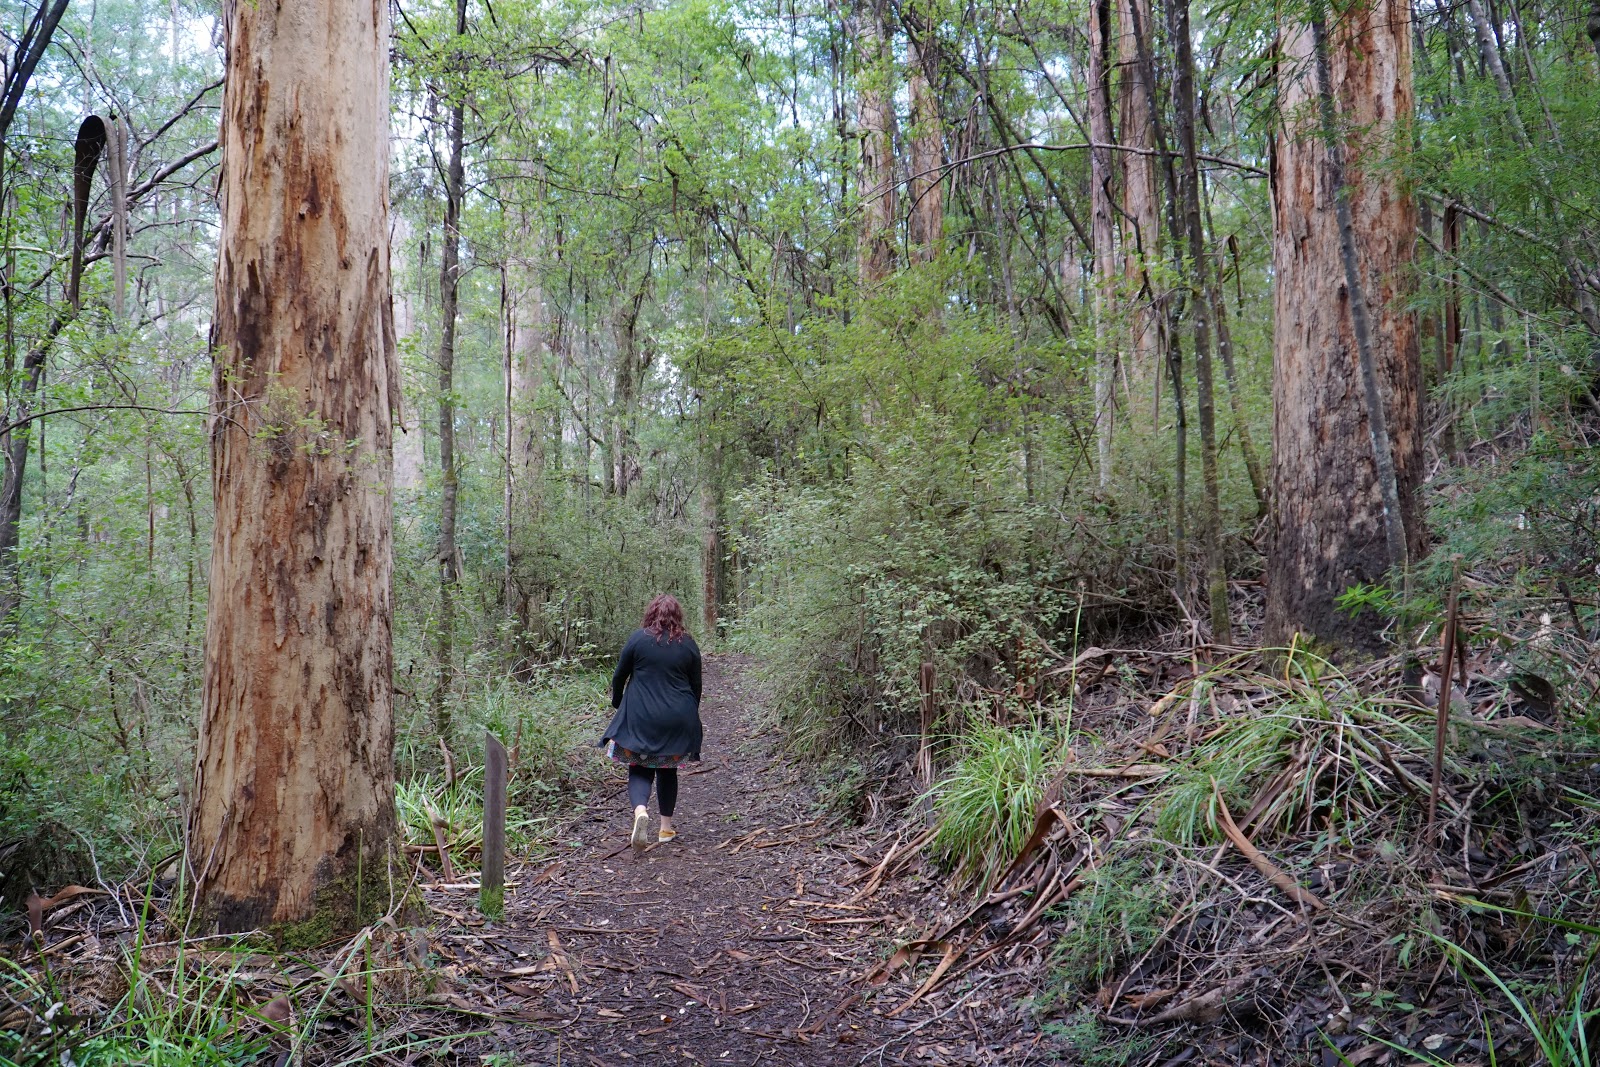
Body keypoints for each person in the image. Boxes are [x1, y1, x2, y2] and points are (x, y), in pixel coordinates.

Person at [600, 594, 703, 852]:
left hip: (640, 716)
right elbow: (696, 686)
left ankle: (641, 811)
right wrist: (689, 713)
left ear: (651, 613)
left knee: (639, 766)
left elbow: (619, 675)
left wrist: (618, 702)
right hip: (677, 716)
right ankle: (665, 829)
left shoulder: (638, 639)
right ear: (677, 616)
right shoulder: (688, 643)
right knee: (668, 770)